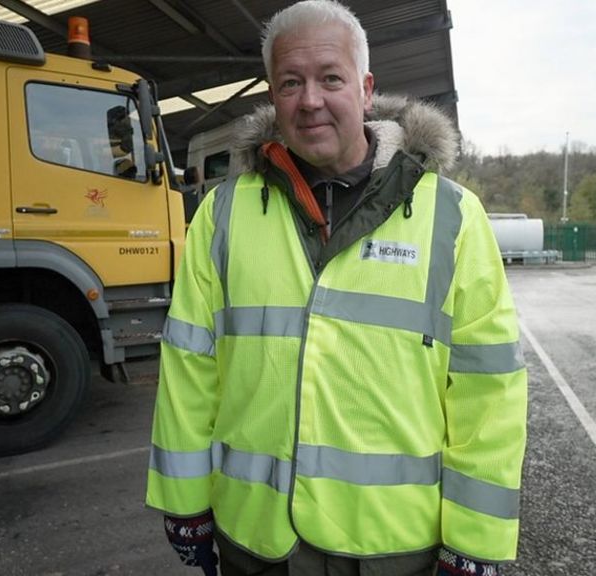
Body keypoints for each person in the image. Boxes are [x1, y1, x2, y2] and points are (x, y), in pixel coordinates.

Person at [146, 1, 528, 575]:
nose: (310, 100)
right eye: (290, 82)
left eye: (330, 78)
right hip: (255, 539)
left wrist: (474, 542)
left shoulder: (453, 217)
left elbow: (487, 389)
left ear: (366, 88)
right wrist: (184, 503)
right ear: (273, 96)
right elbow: (188, 368)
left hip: (393, 548)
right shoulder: (223, 214)